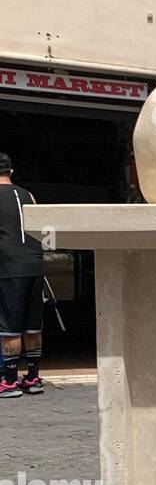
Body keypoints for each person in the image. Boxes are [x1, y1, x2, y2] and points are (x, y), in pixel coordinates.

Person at [0, 153, 44, 397]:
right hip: (34, 265)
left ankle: (9, 381)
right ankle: (33, 377)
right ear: (11, 172)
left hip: (8, 268)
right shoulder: (29, 196)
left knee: (10, 326)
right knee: (32, 326)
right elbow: (43, 231)